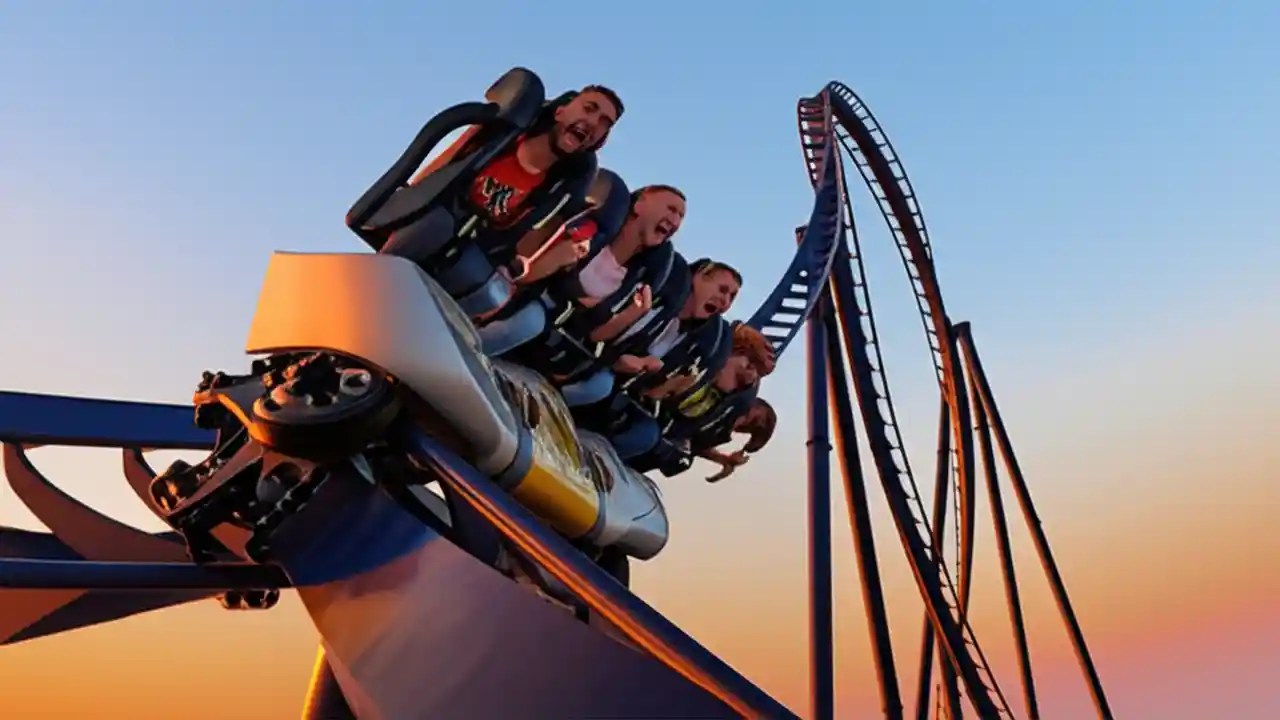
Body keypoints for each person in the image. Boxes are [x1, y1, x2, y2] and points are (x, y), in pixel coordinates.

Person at [380, 84, 625, 281]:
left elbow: (527, 241)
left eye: (605, 123)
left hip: (475, 249)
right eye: (589, 109)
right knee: (436, 225)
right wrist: (410, 198)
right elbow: (447, 162)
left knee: (490, 289)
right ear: (560, 111)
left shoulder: (560, 188)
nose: (594, 122)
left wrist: (520, 266)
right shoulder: (501, 136)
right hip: (437, 214)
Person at [694, 397, 777, 482]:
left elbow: (692, 442)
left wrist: (724, 460)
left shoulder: (715, 430)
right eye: (752, 419)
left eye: (744, 427)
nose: (742, 421)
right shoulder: (717, 396)